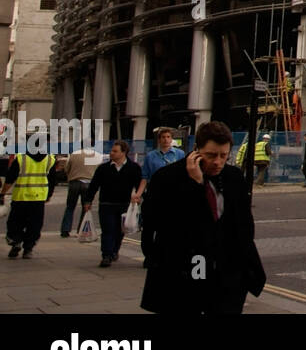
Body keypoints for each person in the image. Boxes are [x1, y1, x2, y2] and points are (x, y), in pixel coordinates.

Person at [140, 120, 266, 314]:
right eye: (211, 155)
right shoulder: (167, 179)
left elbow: (244, 226)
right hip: (183, 274)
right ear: (197, 150)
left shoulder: (234, 177)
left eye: (223, 155)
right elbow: (155, 224)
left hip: (227, 276)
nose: (218, 162)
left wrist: (245, 271)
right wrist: (196, 186)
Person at [2, 127, 63, 258]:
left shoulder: (21, 158)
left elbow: (10, 179)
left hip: (20, 198)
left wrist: (2, 192)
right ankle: (28, 248)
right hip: (38, 198)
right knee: (34, 224)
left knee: (15, 222)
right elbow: (52, 180)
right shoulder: (50, 160)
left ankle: (16, 241)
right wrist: (49, 195)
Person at [83, 140, 143, 268]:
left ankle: (114, 250)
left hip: (124, 205)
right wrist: (88, 201)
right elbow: (93, 186)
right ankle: (106, 255)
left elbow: (139, 185)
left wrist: (138, 197)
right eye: (111, 151)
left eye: (115, 151)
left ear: (124, 153)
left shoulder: (134, 168)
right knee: (107, 230)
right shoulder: (103, 168)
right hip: (106, 204)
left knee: (120, 231)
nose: (111, 153)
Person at [60, 144, 100, 237]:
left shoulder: (74, 154)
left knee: (70, 207)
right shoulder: (97, 156)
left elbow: (66, 168)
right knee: (85, 208)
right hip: (89, 183)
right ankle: (81, 230)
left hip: (74, 182)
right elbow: (99, 171)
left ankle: (65, 230)